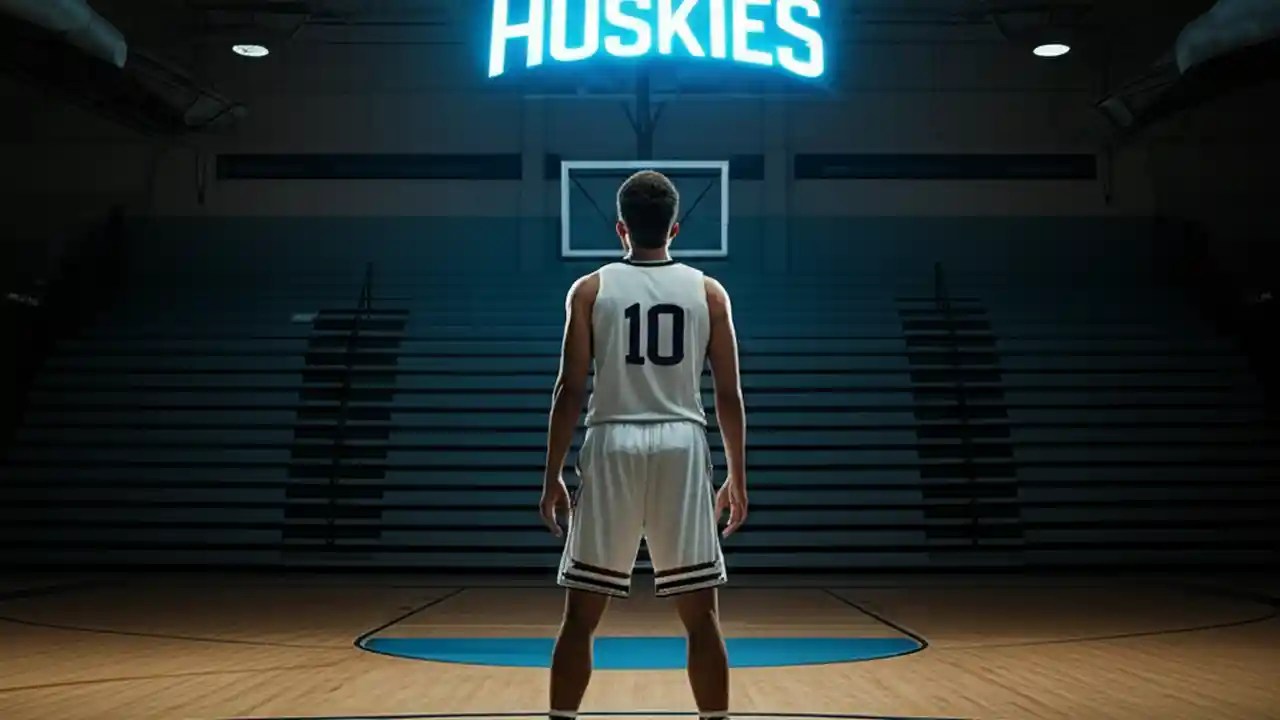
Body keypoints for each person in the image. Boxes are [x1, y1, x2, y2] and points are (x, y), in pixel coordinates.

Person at [539, 170, 748, 720]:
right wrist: (737, 478)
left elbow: (569, 388)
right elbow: (728, 393)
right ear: (674, 227)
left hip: (612, 439)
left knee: (580, 616)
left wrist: (551, 475)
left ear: (620, 228)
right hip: (682, 441)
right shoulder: (708, 291)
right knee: (701, 616)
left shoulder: (590, 289)